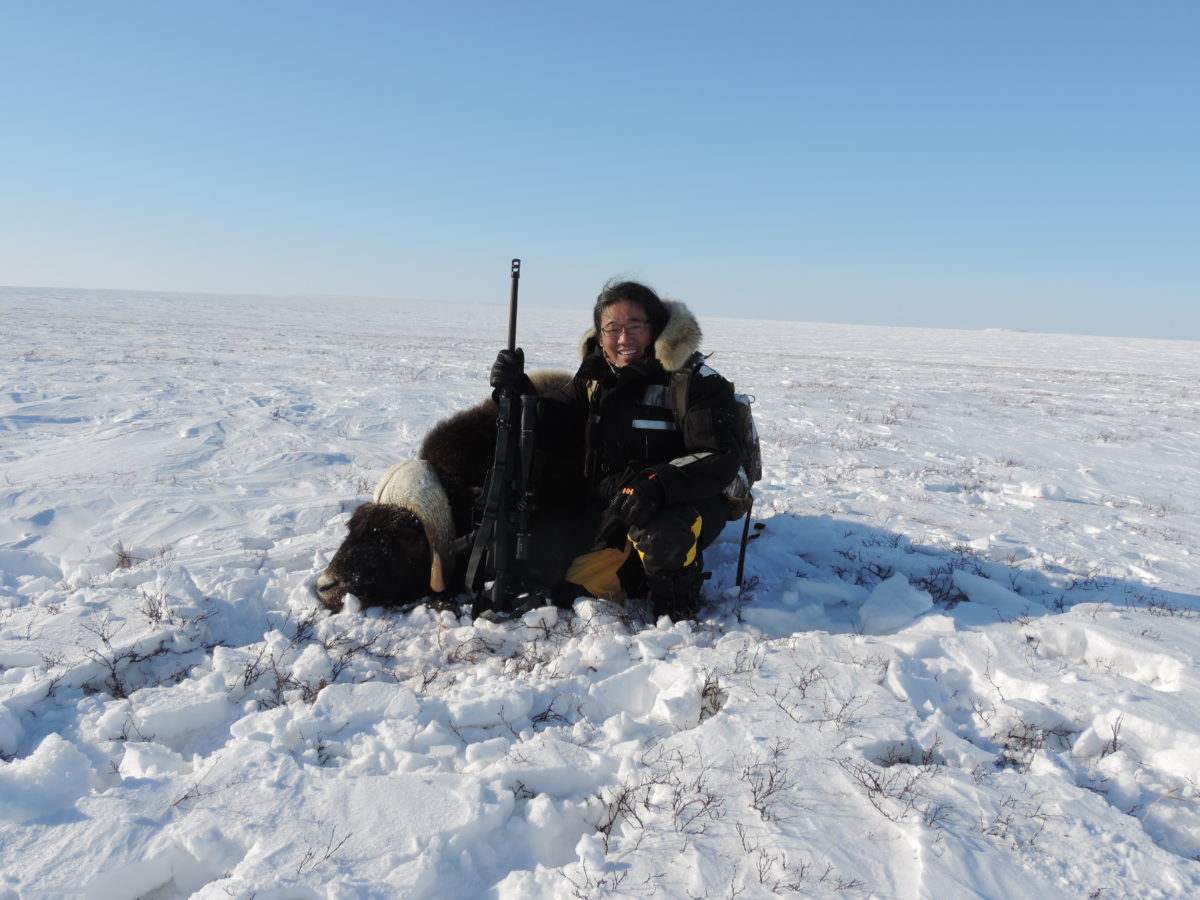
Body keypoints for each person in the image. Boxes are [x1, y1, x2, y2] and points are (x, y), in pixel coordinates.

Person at [489, 279, 744, 620]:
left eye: (635, 326)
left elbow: (718, 456)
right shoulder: (595, 377)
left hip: (679, 501)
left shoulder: (697, 382)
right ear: (600, 334)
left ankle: (676, 605)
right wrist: (518, 392)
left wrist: (656, 485)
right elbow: (554, 421)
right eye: (613, 328)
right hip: (615, 504)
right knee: (570, 587)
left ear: (656, 328)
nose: (624, 339)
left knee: (661, 535)